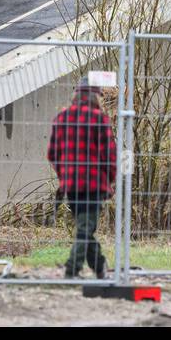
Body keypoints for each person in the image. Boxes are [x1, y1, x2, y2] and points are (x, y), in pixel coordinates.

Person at [47, 75, 118, 279]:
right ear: (96, 97)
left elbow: (53, 154)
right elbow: (109, 157)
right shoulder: (99, 119)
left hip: (72, 185)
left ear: (76, 95)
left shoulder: (62, 118)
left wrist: (65, 175)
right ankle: (72, 269)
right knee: (85, 228)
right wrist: (109, 180)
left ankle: (99, 266)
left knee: (84, 227)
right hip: (94, 184)